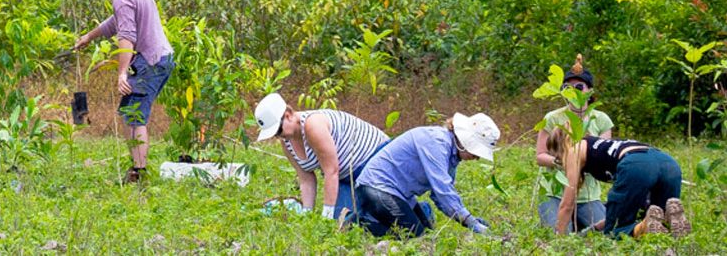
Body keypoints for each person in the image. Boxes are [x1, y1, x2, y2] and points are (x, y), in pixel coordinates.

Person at [70, 0, 173, 183]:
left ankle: (140, 173)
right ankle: (137, 169)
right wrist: (89, 36)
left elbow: (126, 36)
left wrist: (122, 73)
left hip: (152, 61)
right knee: (129, 113)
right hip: (157, 59)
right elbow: (116, 22)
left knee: (134, 115)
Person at [354, 113, 500, 238]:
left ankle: (369, 222)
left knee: (428, 232)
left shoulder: (452, 155)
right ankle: (359, 225)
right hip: (376, 187)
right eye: (476, 152)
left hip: (399, 195)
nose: (477, 157)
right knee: (414, 236)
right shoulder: (436, 142)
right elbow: (442, 189)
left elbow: (439, 196)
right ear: (465, 142)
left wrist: (468, 220)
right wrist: (469, 221)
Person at [253, 93, 391, 225]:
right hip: (346, 178)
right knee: (345, 219)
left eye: (278, 131)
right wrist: (307, 215)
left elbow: (331, 171)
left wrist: (326, 215)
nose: (278, 136)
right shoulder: (287, 141)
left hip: (373, 160)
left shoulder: (312, 125)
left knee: (377, 214)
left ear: (288, 116)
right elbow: (306, 179)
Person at [545, 129, 689, 238]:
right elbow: (634, 199)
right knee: (658, 219)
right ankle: (670, 218)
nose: (559, 163)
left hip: (637, 164)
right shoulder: (596, 144)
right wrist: (602, 223)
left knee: (614, 232)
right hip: (668, 164)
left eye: (557, 158)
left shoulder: (573, 150)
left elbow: (567, 204)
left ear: (561, 146)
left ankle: (644, 227)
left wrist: (559, 240)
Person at [533, 55, 612, 232]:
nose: (573, 91)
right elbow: (540, 156)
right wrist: (561, 161)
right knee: (559, 233)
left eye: (578, 87)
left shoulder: (601, 119)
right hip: (555, 192)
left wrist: (582, 158)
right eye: (567, 87)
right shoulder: (552, 118)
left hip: (588, 194)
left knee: (606, 231)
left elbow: (605, 157)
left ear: (589, 91)